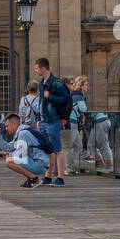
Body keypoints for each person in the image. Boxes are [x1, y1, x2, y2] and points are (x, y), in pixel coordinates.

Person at [34, 57, 70, 186]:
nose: (35, 70)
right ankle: (48, 176)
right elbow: (41, 102)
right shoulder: (41, 83)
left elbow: (66, 98)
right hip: (44, 120)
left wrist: (51, 97)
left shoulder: (56, 82)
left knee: (57, 148)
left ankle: (60, 177)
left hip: (53, 120)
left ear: (43, 68)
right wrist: (39, 119)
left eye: (37, 68)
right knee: (47, 149)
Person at [0, 112, 52, 187]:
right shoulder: (22, 131)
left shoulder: (23, 133)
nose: (6, 129)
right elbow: (9, 147)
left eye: (7, 126)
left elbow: (20, 155)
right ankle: (31, 179)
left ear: (14, 124)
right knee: (12, 159)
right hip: (39, 162)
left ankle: (35, 179)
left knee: (9, 161)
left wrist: (8, 155)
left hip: (40, 164)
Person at [61, 76, 87, 177]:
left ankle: (73, 165)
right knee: (68, 146)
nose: (87, 86)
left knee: (78, 145)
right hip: (71, 122)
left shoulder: (74, 94)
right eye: (86, 84)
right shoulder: (79, 95)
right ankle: (67, 168)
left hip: (73, 122)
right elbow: (83, 108)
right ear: (81, 86)